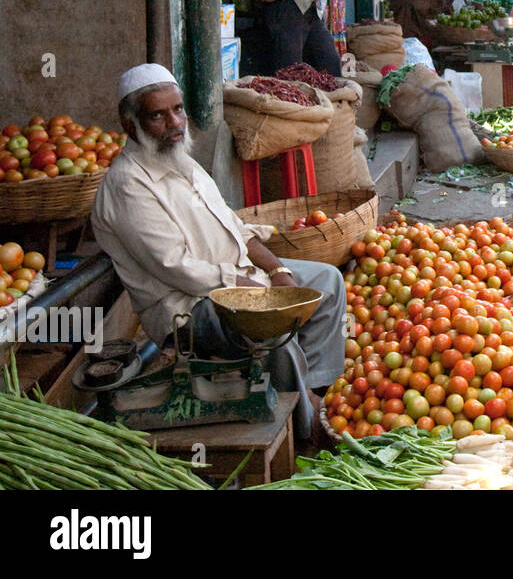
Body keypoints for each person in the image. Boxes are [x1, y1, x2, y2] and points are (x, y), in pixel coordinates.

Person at [90, 64, 346, 443]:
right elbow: (176, 267)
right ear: (131, 125)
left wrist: (276, 272)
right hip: (188, 310)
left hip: (239, 278)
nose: (175, 122)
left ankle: (314, 393)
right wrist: (251, 290)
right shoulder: (129, 185)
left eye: (178, 109)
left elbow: (237, 229)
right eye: (158, 115)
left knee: (328, 281)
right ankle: (306, 428)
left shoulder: (182, 161)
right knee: (272, 328)